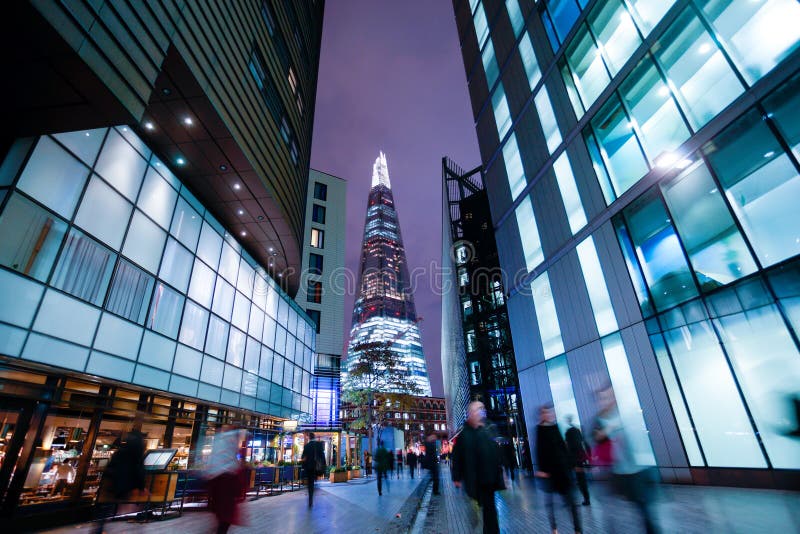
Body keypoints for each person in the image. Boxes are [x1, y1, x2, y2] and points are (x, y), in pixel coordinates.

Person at [593, 386, 660, 534]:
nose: (605, 401)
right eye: (602, 398)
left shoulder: (626, 413)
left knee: (645, 511)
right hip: (617, 472)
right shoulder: (600, 420)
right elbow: (596, 439)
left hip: (638, 470)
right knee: (612, 512)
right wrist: (605, 431)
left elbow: (640, 439)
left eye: (608, 397)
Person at [452, 401, 505, 534]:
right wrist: (456, 477)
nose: (481, 412)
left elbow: (497, 451)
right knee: (476, 515)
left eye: (482, 409)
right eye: (477, 410)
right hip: (474, 480)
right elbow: (457, 456)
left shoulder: (489, 428)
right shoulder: (465, 434)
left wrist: (502, 472)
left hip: (489, 480)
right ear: (470, 414)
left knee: (490, 513)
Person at [93, 415, 147, 533]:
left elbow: (112, 466)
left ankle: (99, 528)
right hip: (120, 483)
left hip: (111, 481)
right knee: (112, 506)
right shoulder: (136, 454)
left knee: (105, 507)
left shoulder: (120, 452)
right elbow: (138, 469)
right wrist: (141, 486)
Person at [536, 404, 582, 534]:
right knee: (550, 503)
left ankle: (577, 529)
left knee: (571, 501)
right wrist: (541, 469)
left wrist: (573, 465)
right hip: (549, 472)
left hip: (563, 470)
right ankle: (554, 529)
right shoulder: (539, 429)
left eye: (548, 412)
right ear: (541, 415)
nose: (547, 415)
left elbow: (563, 447)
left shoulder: (556, 427)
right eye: (544, 413)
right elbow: (539, 450)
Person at [206, 425, 247, 534]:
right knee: (225, 516)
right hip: (225, 481)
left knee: (222, 515)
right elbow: (232, 462)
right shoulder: (229, 441)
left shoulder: (220, 441)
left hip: (218, 481)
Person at [564, 414, 591, 506]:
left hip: (573, 458)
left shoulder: (568, 432)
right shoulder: (577, 430)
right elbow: (583, 443)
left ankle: (572, 498)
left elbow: (567, 445)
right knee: (581, 479)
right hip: (580, 458)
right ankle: (586, 498)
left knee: (574, 478)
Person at [301, 432, 326, 508]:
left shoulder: (307, 446)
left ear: (309, 438)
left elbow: (303, 457)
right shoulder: (319, 445)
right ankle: (314, 486)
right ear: (314, 437)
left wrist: (304, 466)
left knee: (310, 483)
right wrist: (324, 465)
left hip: (309, 467)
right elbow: (322, 456)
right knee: (314, 480)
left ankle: (310, 498)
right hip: (317, 467)